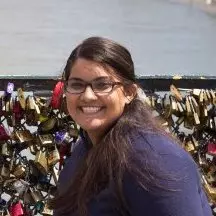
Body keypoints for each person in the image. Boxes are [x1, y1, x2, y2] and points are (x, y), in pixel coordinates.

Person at [52, 36, 212, 216]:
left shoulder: (155, 161)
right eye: (76, 84)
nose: (88, 95)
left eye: (103, 85)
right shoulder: (86, 147)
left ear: (129, 93)